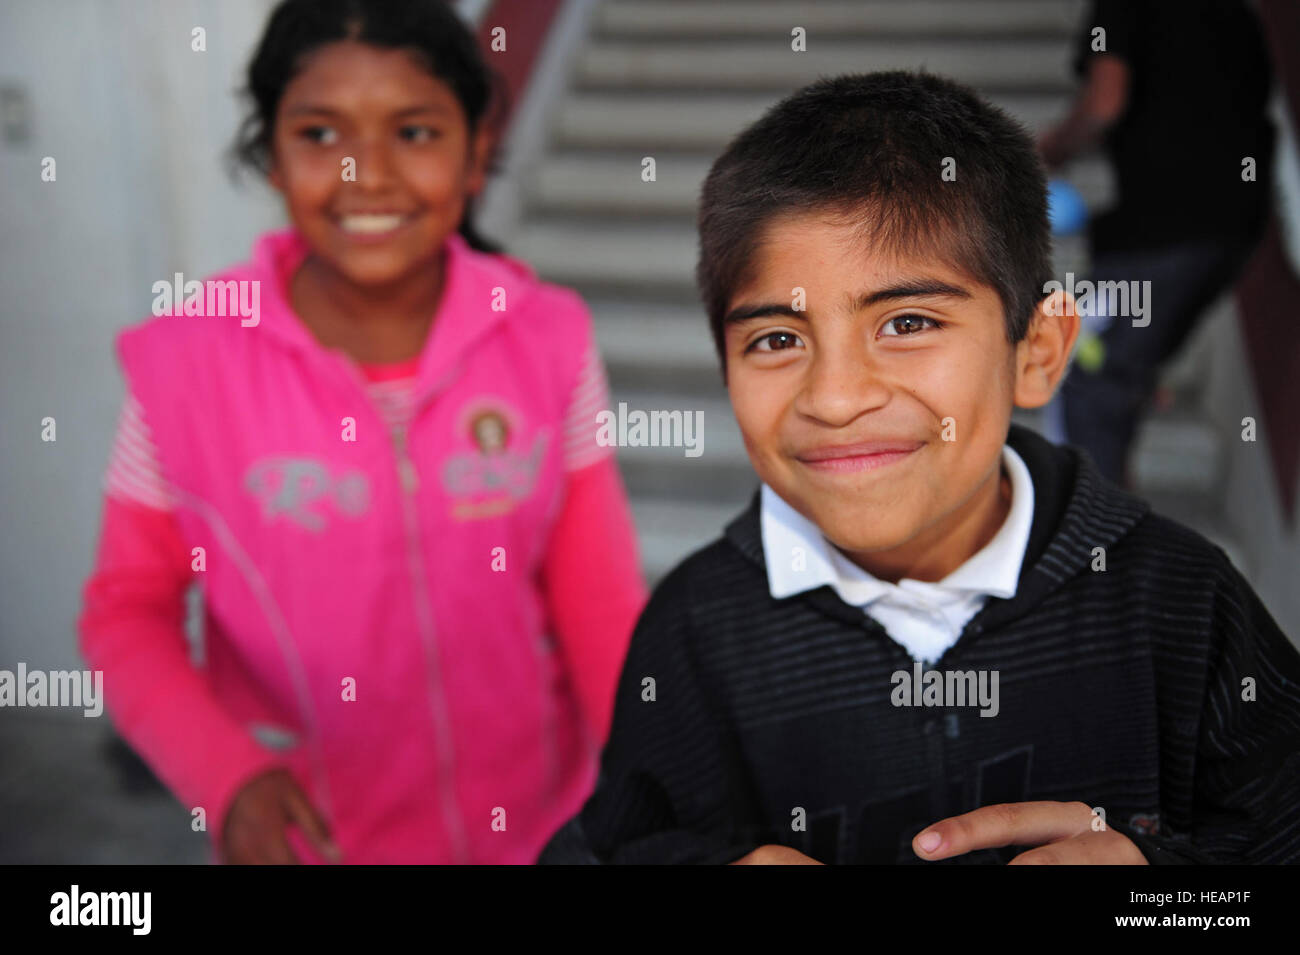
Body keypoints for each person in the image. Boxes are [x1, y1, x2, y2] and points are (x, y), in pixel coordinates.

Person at [538, 72, 1300, 865]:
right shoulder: (696, 628)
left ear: (1037, 351)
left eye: (907, 321)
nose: (834, 398)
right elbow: (602, 850)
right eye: (776, 339)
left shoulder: (1179, 601)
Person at [77, 0, 646, 864]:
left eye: (414, 133)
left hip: (537, 832)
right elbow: (126, 614)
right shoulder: (182, 369)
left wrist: (656, 781)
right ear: (271, 155)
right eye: (320, 134)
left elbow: (598, 600)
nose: (367, 174)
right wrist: (225, 776)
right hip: (316, 843)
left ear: (475, 151)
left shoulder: (547, 336)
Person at [1039, 0, 1276, 486]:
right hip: (1229, 237)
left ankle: (1096, 551)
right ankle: (1117, 532)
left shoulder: (1124, 8)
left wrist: (1050, 148)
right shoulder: (1237, 16)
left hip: (1158, 235)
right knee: (1116, 381)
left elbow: (1105, 104)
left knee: (1085, 378)